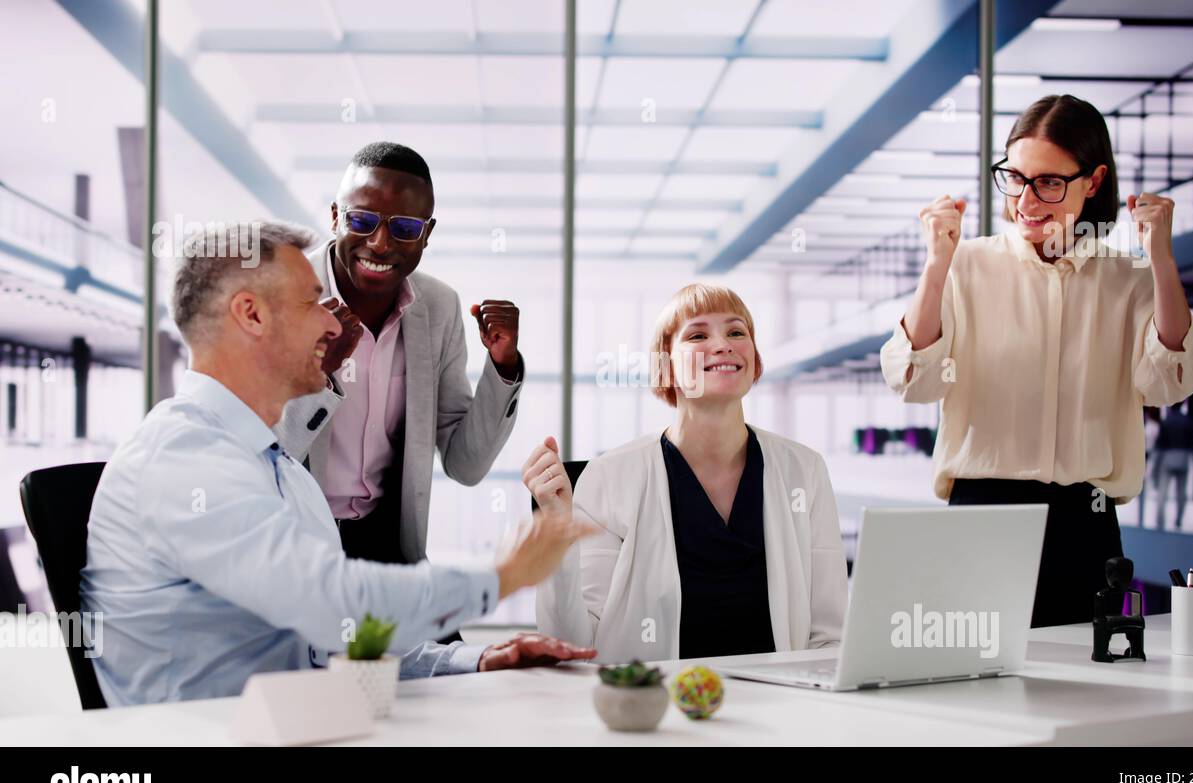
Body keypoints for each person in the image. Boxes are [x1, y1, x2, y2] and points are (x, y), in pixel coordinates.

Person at [82, 222, 594, 706]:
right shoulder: (182, 456)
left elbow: (335, 640)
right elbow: (328, 603)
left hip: (293, 723)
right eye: (312, 301)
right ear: (251, 314)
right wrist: (501, 576)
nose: (334, 321)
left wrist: (474, 658)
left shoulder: (281, 470)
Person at [880, 94, 1193, 628]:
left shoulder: (1127, 280)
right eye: (1014, 177)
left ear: (1094, 181)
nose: (1025, 201)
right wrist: (937, 264)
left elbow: (1170, 381)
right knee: (975, 689)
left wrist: (1162, 260)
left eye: (1048, 183)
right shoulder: (967, 266)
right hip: (981, 513)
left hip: (1088, 521)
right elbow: (913, 380)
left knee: (1084, 692)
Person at [526, 284, 848, 663]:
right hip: (657, 708)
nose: (723, 345)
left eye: (736, 332)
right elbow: (575, 644)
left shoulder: (804, 471)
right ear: (666, 365)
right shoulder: (608, 477)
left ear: (755, 358)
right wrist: (557, 531)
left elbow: (830, 638)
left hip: (779, 707)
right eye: (698, 335)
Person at [275, 142, 523, 574]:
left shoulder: (439, 307)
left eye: (405, 228)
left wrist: (502, 366)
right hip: (293, 553)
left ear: (427, 233)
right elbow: (255, 463)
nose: (380, 243)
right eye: (362, 220)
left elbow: (465, 464)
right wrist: (317, 375)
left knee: (456, 644)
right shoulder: (281, 297)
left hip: (390, 551)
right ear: (336, 217)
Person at [1153, 402, 1193, 530]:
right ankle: (1179, 519)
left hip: (1168, 457)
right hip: (1183, 458)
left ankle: (1160, 519)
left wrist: (1154, 466)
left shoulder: (1167, 422)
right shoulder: (1188, 421)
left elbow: (1160, 445)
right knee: (1181, 492)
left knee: (1163, 491)